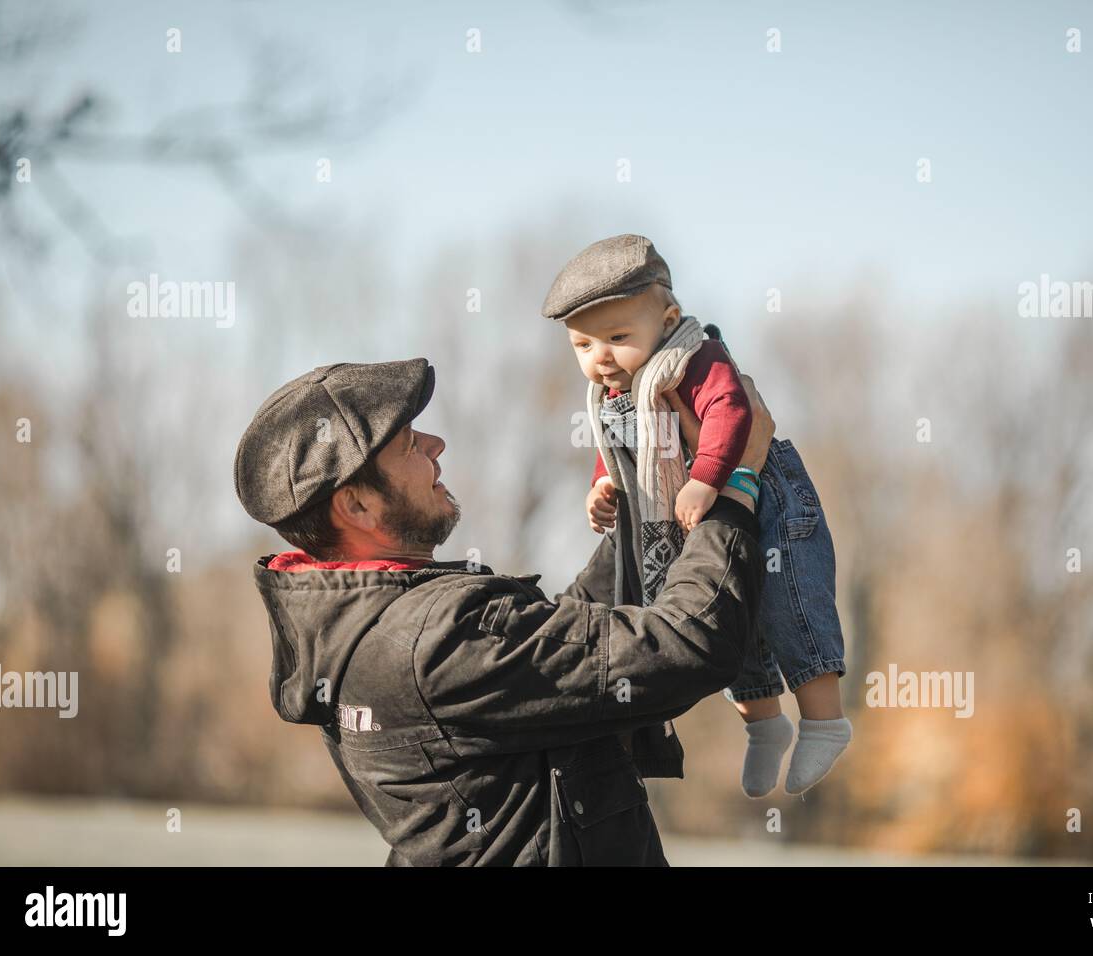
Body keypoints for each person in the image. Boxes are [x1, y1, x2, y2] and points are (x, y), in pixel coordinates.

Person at [233, 357, 774, 865]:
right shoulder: (434, 639)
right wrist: (735, 485)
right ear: (357, 505)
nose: (436, 444)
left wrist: (647, 495)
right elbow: (687, 644)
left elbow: (564, 647)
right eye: (407, 443)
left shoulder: (353, 630)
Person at [542, 234, 852, 797]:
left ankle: (825, 722)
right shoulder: (621, 394)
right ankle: (764, 726)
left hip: (766, 491)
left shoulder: (692, 359)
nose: (601, 357)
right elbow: (618, 450)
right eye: (583, 345)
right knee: (731, 610)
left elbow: (732, 410)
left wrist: (710, 478)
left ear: (668, 319)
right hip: (699, 506)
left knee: (787, 600)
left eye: (617, 337)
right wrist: (604, 486)